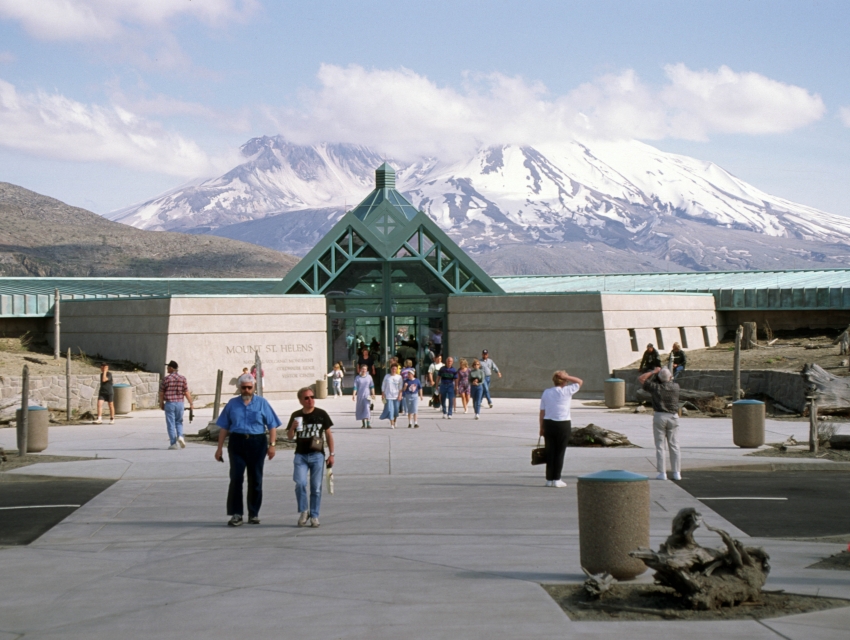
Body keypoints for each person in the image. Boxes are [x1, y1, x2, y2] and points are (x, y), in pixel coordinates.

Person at [214, 374, 281, 526]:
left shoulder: (262, 403)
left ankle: (254, 513)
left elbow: (272, 425)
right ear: (239, 388)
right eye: (243, 387)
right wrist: (219, 449)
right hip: (237, 442)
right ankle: (236, 514)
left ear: (254, 388)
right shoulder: (232, 404)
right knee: (236, 478)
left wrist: (272, 445)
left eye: (249, 388)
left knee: (255, 478)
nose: (246, 390)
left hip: (257, 443)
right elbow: (224, 427)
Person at [286, 387, 335, 527]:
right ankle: (304, 511)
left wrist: (332, 454)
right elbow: (290, 437)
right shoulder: (296, 415)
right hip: (301, 455)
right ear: (301, 400)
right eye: (306, 398)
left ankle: (314, 515)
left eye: (312, 397)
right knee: (300, 483)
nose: (310, 400)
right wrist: (292, 428)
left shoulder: (321, 414)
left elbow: (329, 435)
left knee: (316, 487)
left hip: (317, 455)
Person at [538, 370, 583, 488]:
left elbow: (542, 412)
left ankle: (549, 479)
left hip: (548, 423)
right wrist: (567, 376)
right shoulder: (567, 391)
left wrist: (541, 427)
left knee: (550, 451)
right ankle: (557, 479)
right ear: (565, 381)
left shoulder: (546, 392)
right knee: (559, 452)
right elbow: (579, 381)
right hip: (563, 424)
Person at [638, 366, 681, 481]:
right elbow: (669, 380)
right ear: (670, 377)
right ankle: (676, 472)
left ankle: (662, 473)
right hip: (673, 416)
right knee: (674, 445)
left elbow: (641, 379)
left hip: (660, 416)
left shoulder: (656, 387)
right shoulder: (676, 387)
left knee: (660, 446)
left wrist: (653, 371)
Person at [159, 360, 193, 450]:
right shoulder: (183, 378)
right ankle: (180, 436)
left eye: (168, 367)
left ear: (171, 368)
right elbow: (186, 392)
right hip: (180, 403)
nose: (167, 369)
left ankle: (173, 443)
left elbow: (161, 393)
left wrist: (161, 403)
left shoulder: (166, 379)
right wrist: (191, 403)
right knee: (179, 422)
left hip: (170, 403)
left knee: (171, 423)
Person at [380, 363, 404, 428]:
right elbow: (383, 385)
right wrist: (383, 394)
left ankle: (395, 421)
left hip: (396, 396)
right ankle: (392, 423)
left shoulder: (399, 377)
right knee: (390, 410)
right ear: (390, 369)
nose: (394, 370)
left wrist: (400, 395)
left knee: (396, 410)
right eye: (393, 369)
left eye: (395, 369)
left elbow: (400, 387)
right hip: (388, 396)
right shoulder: (387, 376)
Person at [353, 364, 375, 428]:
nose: (364, 370)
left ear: (367, 370)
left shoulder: (369, 377)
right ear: (360, 369)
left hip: (367, 395)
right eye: (363, 369)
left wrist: (373, 394)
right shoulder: (357, 378)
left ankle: (368, 423)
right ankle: (363, 423)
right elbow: (355, 387)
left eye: (365, 369)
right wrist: (354, 395)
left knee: (367, 408)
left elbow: (372, 386)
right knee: (362, 408)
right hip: (360, 395)